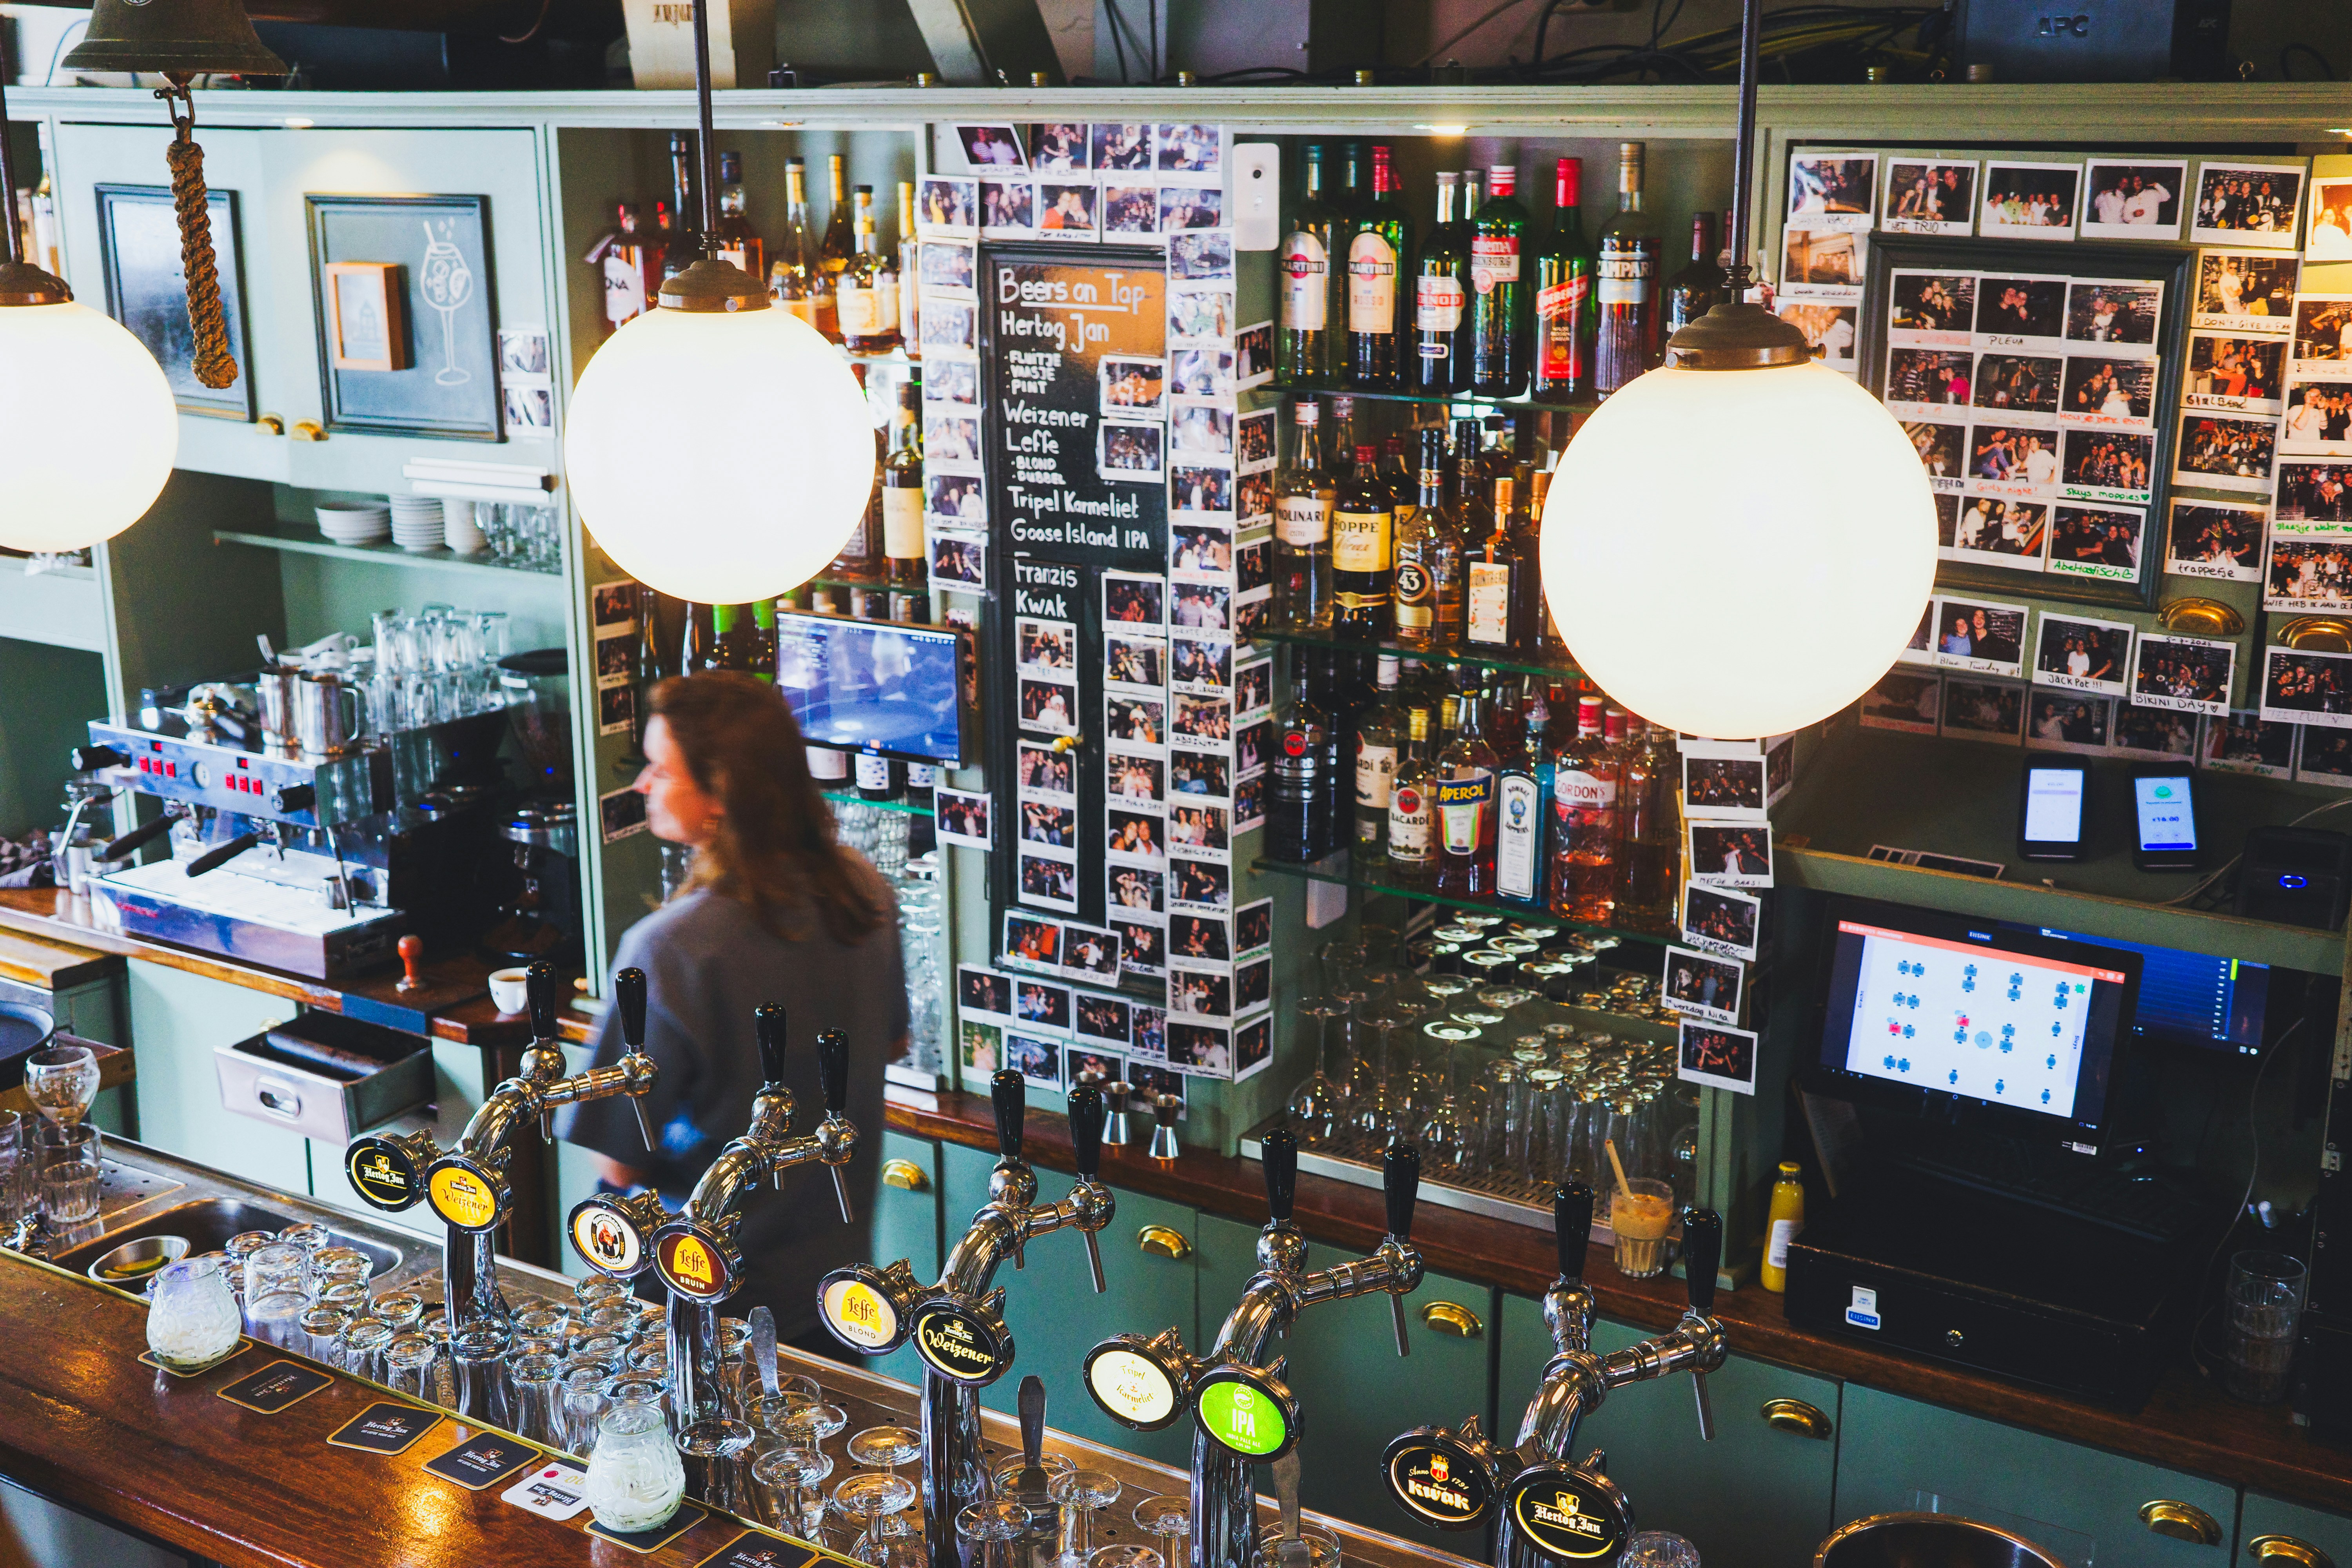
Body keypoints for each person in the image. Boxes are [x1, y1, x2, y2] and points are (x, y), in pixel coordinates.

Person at [557, 673, 906, 1359]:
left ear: (720, 794)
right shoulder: (862, 890)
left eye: (660, 770)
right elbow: (889, 1041)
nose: (643, 786)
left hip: (705, 1297)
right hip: (835, 1290)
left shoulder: (671, 947)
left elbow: (619, 1155)